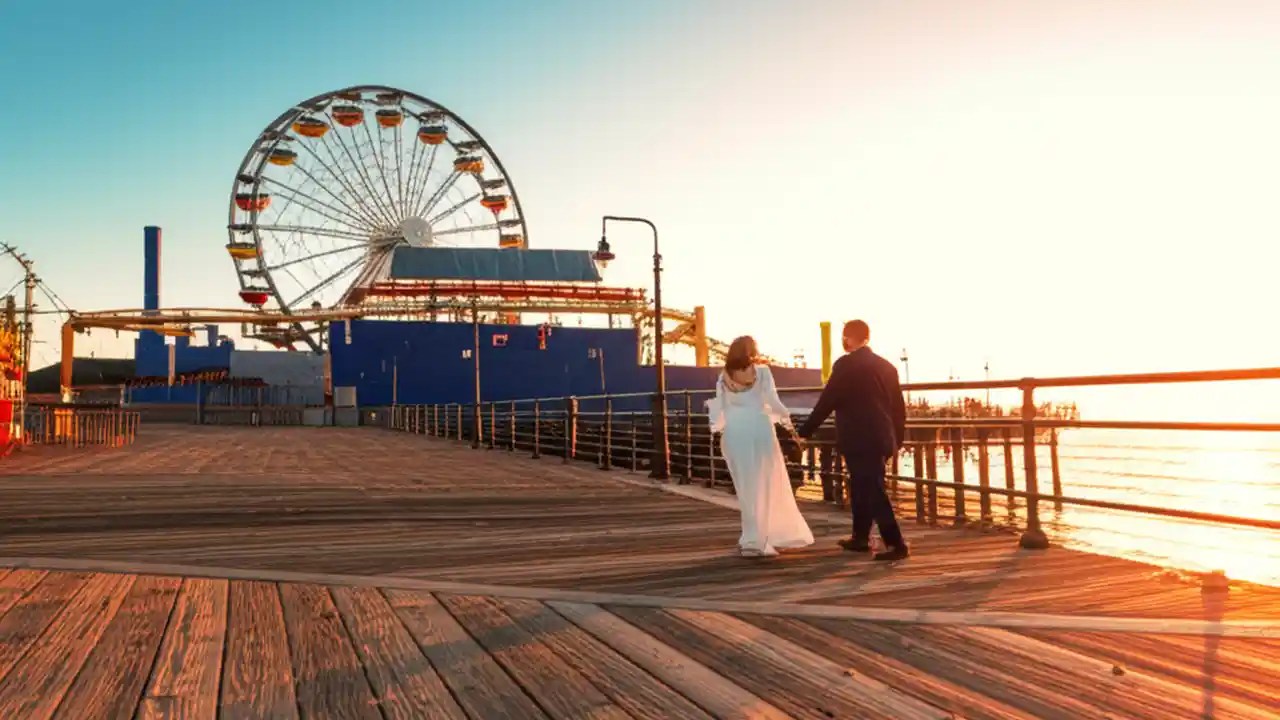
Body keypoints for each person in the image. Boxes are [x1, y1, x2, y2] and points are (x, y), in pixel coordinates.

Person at [798, 320, 909, 561]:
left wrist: (805, 431)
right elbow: (899, 408)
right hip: (882, 436)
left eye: (843, 337)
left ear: (848, 338)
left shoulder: (846, 365)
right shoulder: (887, 366)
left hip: (859, 436)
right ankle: (860, 537)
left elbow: (827, 401)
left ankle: (896, 543)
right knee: (861, 485)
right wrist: (897, 439)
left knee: (872, 489)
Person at [706, 336, 815, 557]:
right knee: (766, 484)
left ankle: (751, 537)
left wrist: (719, 430)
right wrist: (787, 421)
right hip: (759, 430)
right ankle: (765, 537)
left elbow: (720, 411)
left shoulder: (724, 377)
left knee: (746, 487)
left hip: (736, 433)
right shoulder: (762, 372)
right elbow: (773, 402)